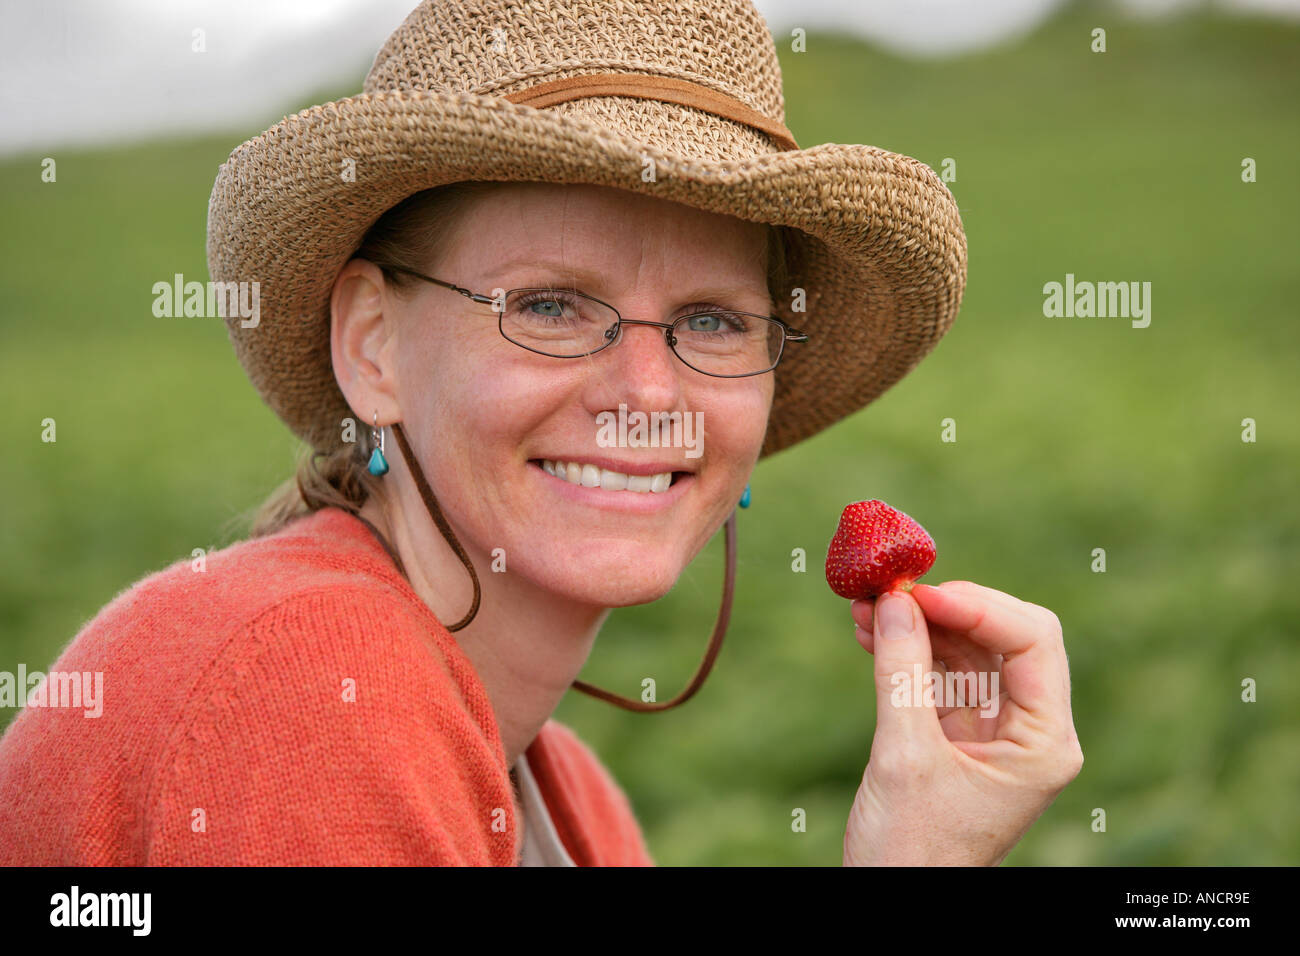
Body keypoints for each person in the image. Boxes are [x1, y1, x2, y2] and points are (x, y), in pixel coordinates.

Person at [0, 0, 1081, 866]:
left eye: (713, 318)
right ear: (370, 344)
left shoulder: (569, 792)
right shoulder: (307, 687)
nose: (648, 391)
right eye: (551, 304)